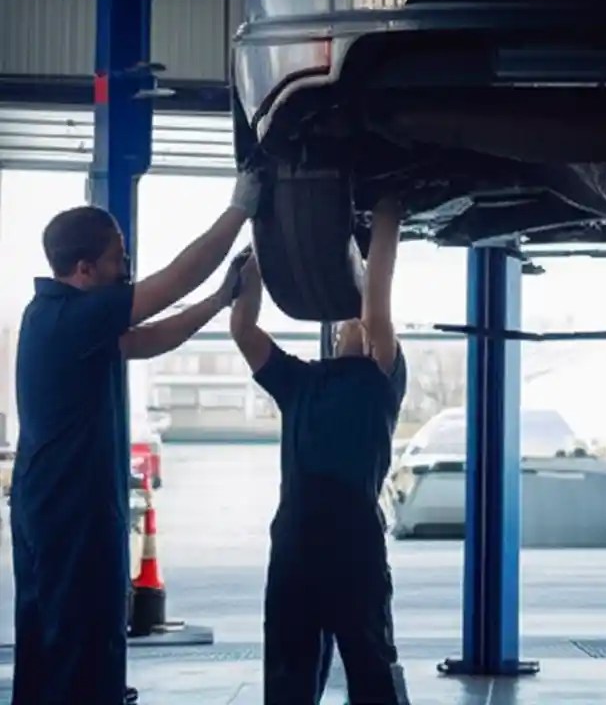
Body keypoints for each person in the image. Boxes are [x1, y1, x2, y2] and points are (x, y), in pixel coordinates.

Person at [11, 173, 262, 705]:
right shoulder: (70, 317)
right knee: (78, 641)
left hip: (57, 509)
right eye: (117, 259)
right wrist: (240, 209)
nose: (125, 269)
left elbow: (149, 340)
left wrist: (220, 300)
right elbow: (172, 282)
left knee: (58, 639)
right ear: (84, 270)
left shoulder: (56, 317)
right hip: (69, 513)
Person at [230, 195, 408, 705]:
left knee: (371, 665)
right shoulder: (299, 381)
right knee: (290, 671)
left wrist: (389, 213)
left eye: (360, 321)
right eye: (349, 321)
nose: (354, 320)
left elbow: (377, 301)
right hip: (300, 543)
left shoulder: (379, 380)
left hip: (349, 544)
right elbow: (242, 329)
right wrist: (261, 251)